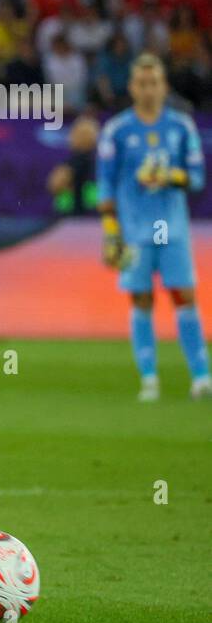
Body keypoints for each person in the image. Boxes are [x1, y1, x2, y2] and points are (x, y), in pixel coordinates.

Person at [96, 53, 209, 401]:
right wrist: (112, 231)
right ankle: (149, 378)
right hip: (134, 233)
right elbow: (105, 187)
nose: (148, 90)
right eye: (142, 83)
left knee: (183, 297)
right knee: (141, 300)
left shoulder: (181, 127)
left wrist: (169, 176)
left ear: (164, 86)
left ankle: (201, 376)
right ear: (132, 87)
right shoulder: (117, 130)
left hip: (171, 229)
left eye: (154, 83)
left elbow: (197, 178)